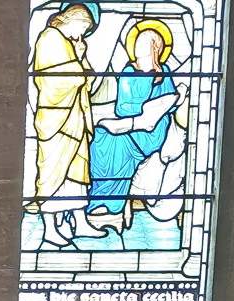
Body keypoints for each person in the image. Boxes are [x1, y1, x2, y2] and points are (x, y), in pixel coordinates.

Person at [81, 18, 183, 237]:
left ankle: (113, 206)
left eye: (146, 42)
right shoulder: (128, 71)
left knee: (115, 141)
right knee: (100, 137)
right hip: (130, 125)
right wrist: (145, 97)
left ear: (156, 48)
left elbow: (169, 105)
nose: (139, 46)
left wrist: (162, 102)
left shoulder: (164, 72)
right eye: (137, 41)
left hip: (152, 132)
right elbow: (124, 107)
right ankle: (99, 202)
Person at [28, 2, 99, 247]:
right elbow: (52, 81)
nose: (82, 34)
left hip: (76, 117)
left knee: (77, 172)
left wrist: (81, 62)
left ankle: (80, 222)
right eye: (81, 27)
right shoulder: (49, 38)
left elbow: (86, 79)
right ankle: (50, 228)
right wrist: (78, 61)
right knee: (54, 173)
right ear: (69, 19)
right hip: (56, 119)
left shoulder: (70, 42)